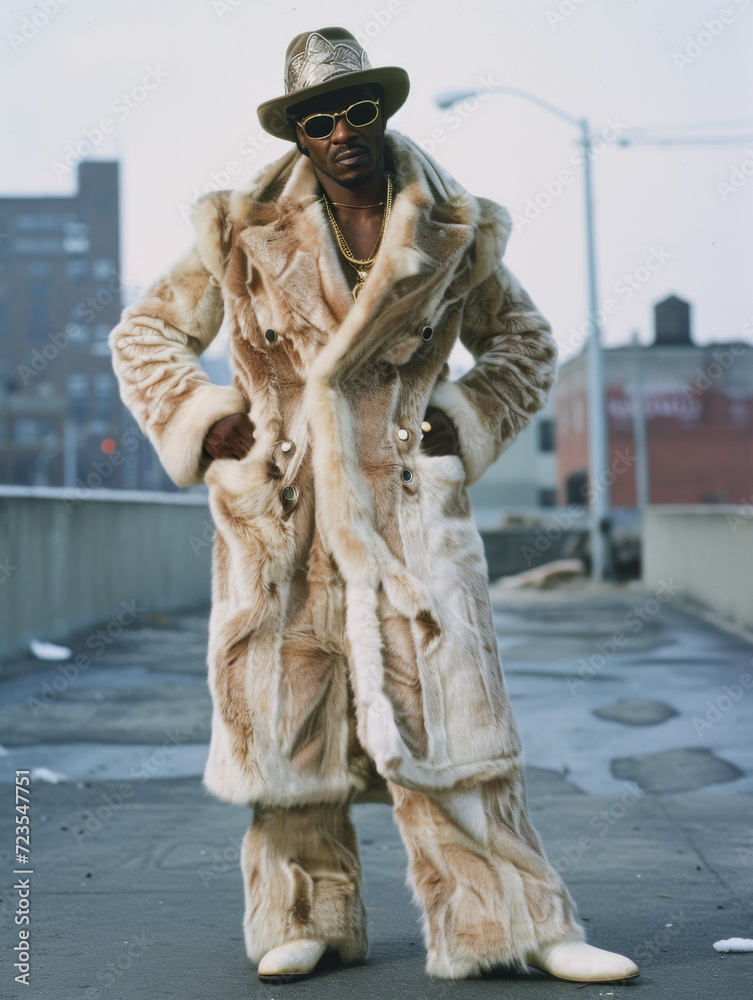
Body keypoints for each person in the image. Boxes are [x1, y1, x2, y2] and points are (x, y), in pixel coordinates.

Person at [108, 26, 639, 985]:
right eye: (319, 120)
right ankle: (302, 915)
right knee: (289, 728)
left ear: (382, 111)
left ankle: (517, 923)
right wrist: (205, 421)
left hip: (405, 508)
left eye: (357, 110)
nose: (342, 132)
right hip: (283, 513)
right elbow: (144, 332)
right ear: (299, 135)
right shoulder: (239, 228)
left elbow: (523, 339)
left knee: (454, 715)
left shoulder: (452, 226)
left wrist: (464, 421)